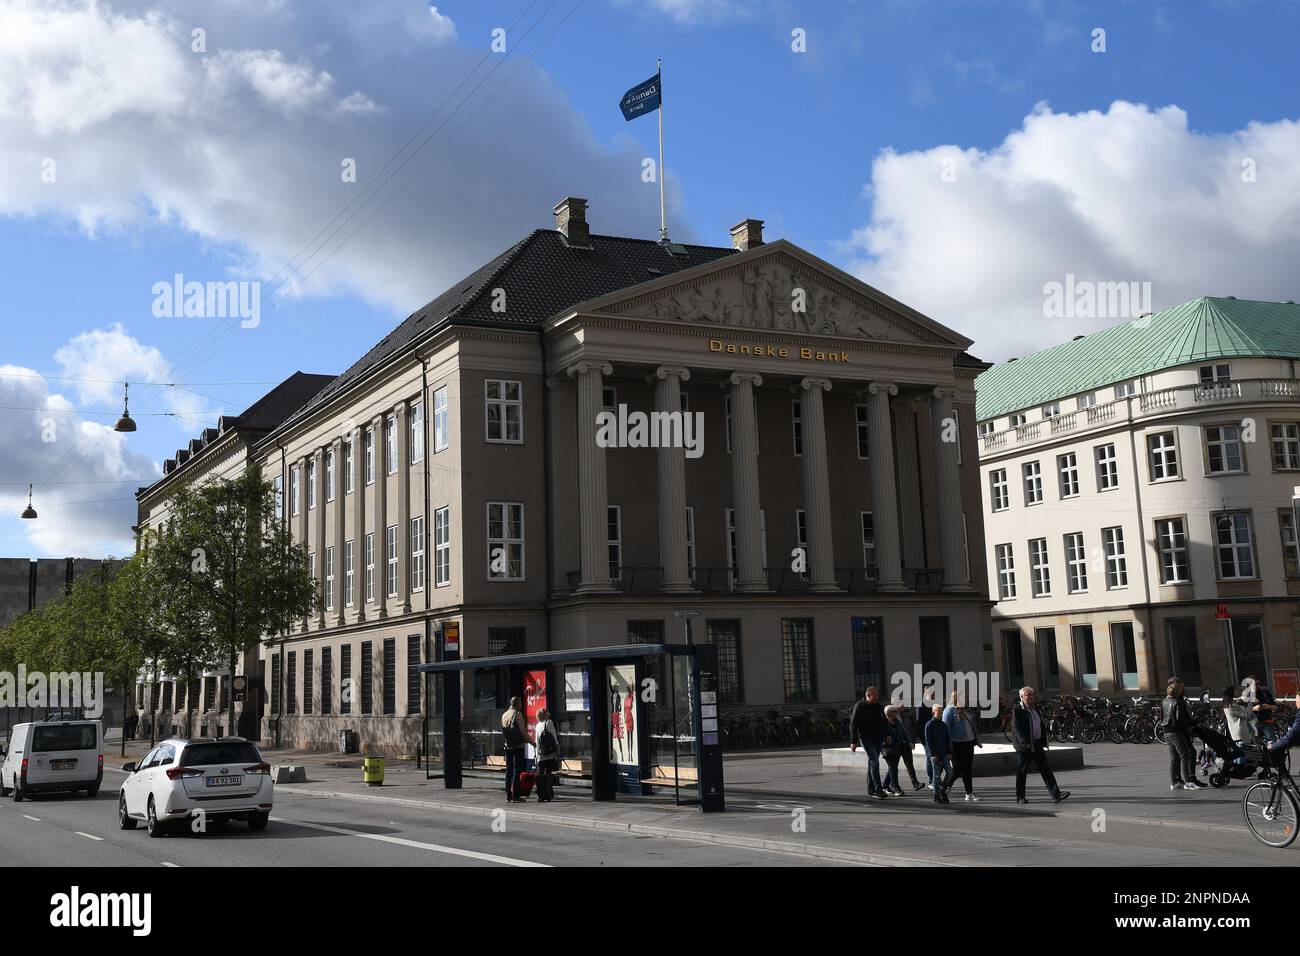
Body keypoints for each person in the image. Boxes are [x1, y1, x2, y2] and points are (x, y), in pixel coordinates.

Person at [1011, 686, 1071, 804]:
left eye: (1032, 694)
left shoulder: (1035, 709)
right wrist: (1025, 743)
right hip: (1026, 746)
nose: (1031, 696)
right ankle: (1020, 796)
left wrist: (1044, 737)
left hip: (1037, 744)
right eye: (1028, 695)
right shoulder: (1018, 710)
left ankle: (1056, 794)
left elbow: (1039, 724)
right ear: (1022, 697)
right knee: (1022, 771)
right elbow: (1016, 728)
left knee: (1045, 769)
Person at [1161, 677, 1205, 791]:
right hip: (1177, 732)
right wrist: (1187, 728)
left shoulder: (1164, 701)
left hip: (1167, 731)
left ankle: (1174, 782)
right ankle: (1188, 781)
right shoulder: (1177, 702)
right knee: (1185, 755)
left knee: (1174, 758)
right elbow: (1179, 719)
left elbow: (1162, 717)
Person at [849, 686, 890, 799]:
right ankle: (878, 789)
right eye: (875, 696)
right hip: (866, 738)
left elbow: (884, 722)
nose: (877, 698)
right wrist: (853, 741)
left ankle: (870, 789)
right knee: (874, 762)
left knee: (872, 763)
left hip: (878, 738)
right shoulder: (859, 706)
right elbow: (853, 724)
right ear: (868, 695)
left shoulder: (878, 706)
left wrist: (886, 735)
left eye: (877, 695)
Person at [943, 691, 983, 802]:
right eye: (964, 698)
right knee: (957, 769)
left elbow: (971, 726)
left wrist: (977, 740)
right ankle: (943, 788)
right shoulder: (949, 711)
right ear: (956, 699)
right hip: (956, 744)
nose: (966, 700)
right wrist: (947, 747)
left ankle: (969, 793)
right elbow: (946, 729)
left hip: (969, 743)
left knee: (967, 769)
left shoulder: (965, 711)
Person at [924, 703, 953, 804]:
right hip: (935, 755)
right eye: (938, 711)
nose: (940, 713)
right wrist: (932, 754)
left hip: (944, 753)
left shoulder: (943, 725)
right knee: (936, 776)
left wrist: (950, 752)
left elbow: (947, 739)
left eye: (941, 711)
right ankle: (937, 796)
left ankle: (942, 791)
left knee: (949, 773)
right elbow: (929, 742)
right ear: (933, 712)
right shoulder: (929, 725)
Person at [501, 697, 528, 802]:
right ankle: (515, 795)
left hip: (508, 746)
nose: (522, 704)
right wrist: (531, 742)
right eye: (521, 703)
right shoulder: (518, 714)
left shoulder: (504, 715)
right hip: (518, 746)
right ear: (517, 704)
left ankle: (508, 795)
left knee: (509, 770)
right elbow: (523, 731)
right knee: (517, 770)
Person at [533, 707, 559, 802]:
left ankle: (540, 794)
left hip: (541, 754)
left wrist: (537, 754)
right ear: (545, 714)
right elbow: (554, 738)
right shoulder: (549, 723)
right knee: (548, 774)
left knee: (540, 775)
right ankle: (548, 794)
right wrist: (557, 751)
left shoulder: (538, 725)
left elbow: (536, 741)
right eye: (547, 712)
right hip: (549, 753)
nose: (549, 713)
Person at [881, 706, 908, 796]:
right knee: (893, 768)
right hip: (888, 749)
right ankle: (895, 787)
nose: (896, 713)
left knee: (892, 768)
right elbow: (880, 735)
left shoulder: (897, 722)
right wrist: (885, 740)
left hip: (897, 748)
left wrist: (907, 741)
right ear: (888, 713)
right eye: (894, 711)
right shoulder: (884, 723)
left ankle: (885, 785)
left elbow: (903, 733)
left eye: (896, 711)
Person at [916, 687, 938, 789]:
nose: (934, 696)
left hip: (935, 737)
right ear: (926, 694)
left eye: (934, 694)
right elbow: (919, 724)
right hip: (926, 737)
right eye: (932, 694)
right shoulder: (920, 706)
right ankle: (931, 780)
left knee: (934, 757)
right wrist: (923, 739)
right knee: (930, 758)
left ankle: (935, 779)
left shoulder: (935, 705)